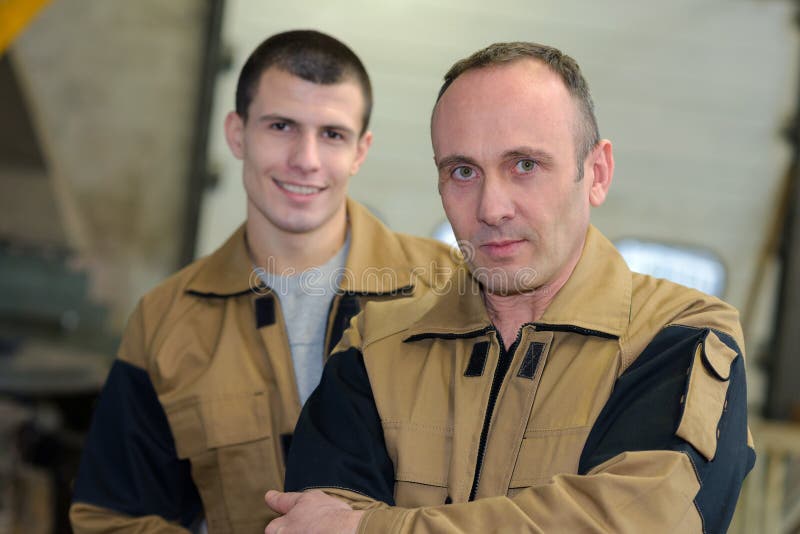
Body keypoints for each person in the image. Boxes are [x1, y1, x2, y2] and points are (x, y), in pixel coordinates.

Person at [265, 41, 755, 533]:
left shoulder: (680, 339)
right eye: (462, 171)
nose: (491, 207)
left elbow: (640, 524)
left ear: (597, 174)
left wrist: (369, 528)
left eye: (525, 165)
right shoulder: (374, 346)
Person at [69, 30, 453, 533]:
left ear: (361, 151)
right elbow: (110, 519)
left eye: (332, 134)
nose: (306, 159)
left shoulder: (449, 290)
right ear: (236, 132)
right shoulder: (165, 319)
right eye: (281, 126)